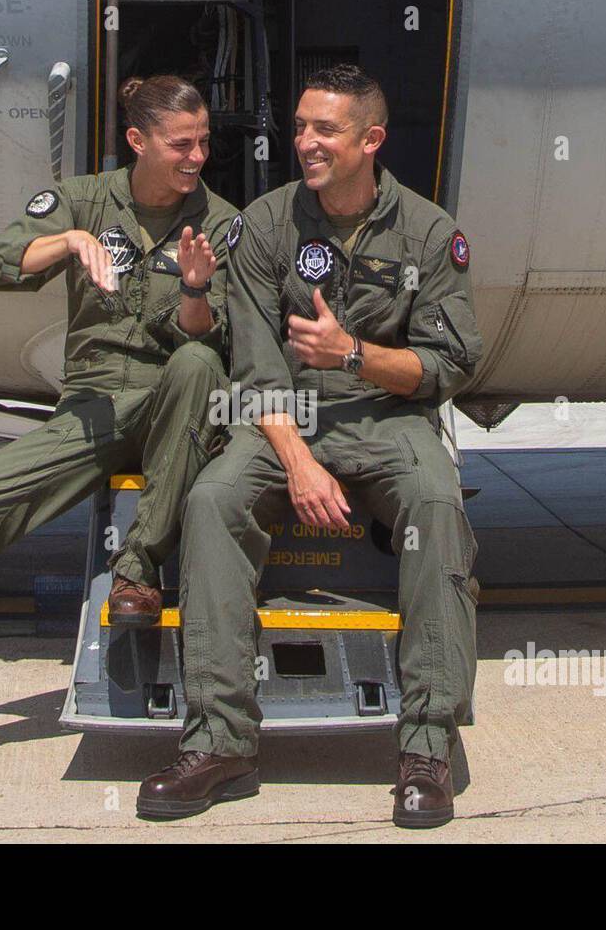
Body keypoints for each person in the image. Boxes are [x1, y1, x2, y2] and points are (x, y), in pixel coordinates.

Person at [0, 75, 237, 778]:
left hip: (176, 410)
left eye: (204, 141)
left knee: (194, 363)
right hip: (92, 409)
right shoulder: (87, 200)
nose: (197, 156)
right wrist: (65, 241)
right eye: (182, 143)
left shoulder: (219, 221)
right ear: (138, 141)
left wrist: (192, 289)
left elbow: (218, 341)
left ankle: (138, 568)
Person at [138, 65, 484, 828]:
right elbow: (256, 372)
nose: (305, 142)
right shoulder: (265, 226)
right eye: (300, 126)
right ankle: (220, 739)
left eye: (324, 129)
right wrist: (299, 463)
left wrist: (351, 351)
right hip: (285, 415)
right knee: (213, 499)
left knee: (434, 499)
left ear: (371, 139)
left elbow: (449, 365)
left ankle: (426, 744)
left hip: (387, 414)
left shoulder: (428, 232)